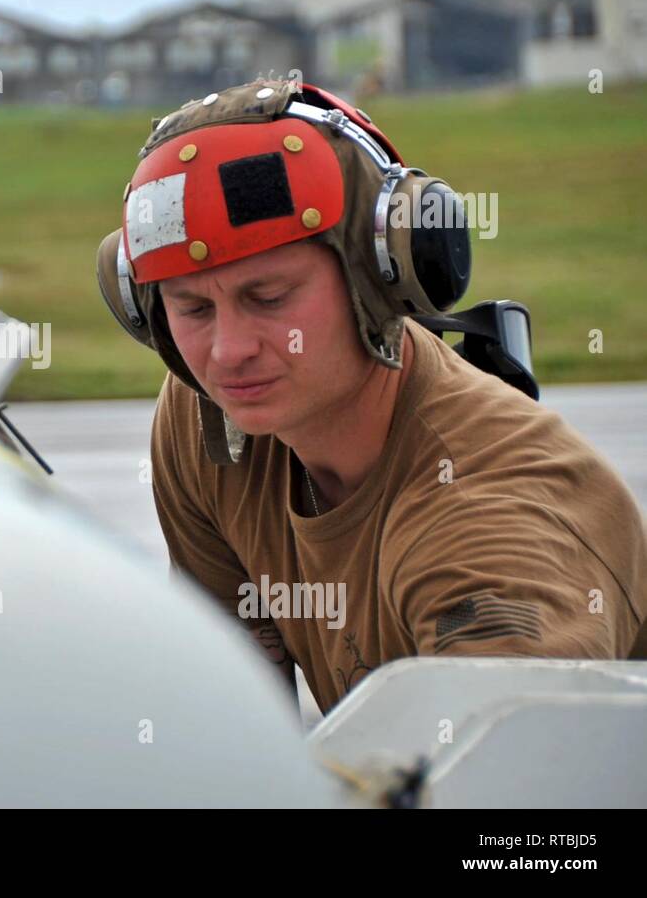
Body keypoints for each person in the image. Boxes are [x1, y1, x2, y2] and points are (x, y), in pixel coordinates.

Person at [95, 77, 647, 714]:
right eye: (191, 308)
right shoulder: (211, 416)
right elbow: (229, 729)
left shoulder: (489, 525)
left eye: (269, 298)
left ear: (381, 279)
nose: (227, 352)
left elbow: (517, 796)